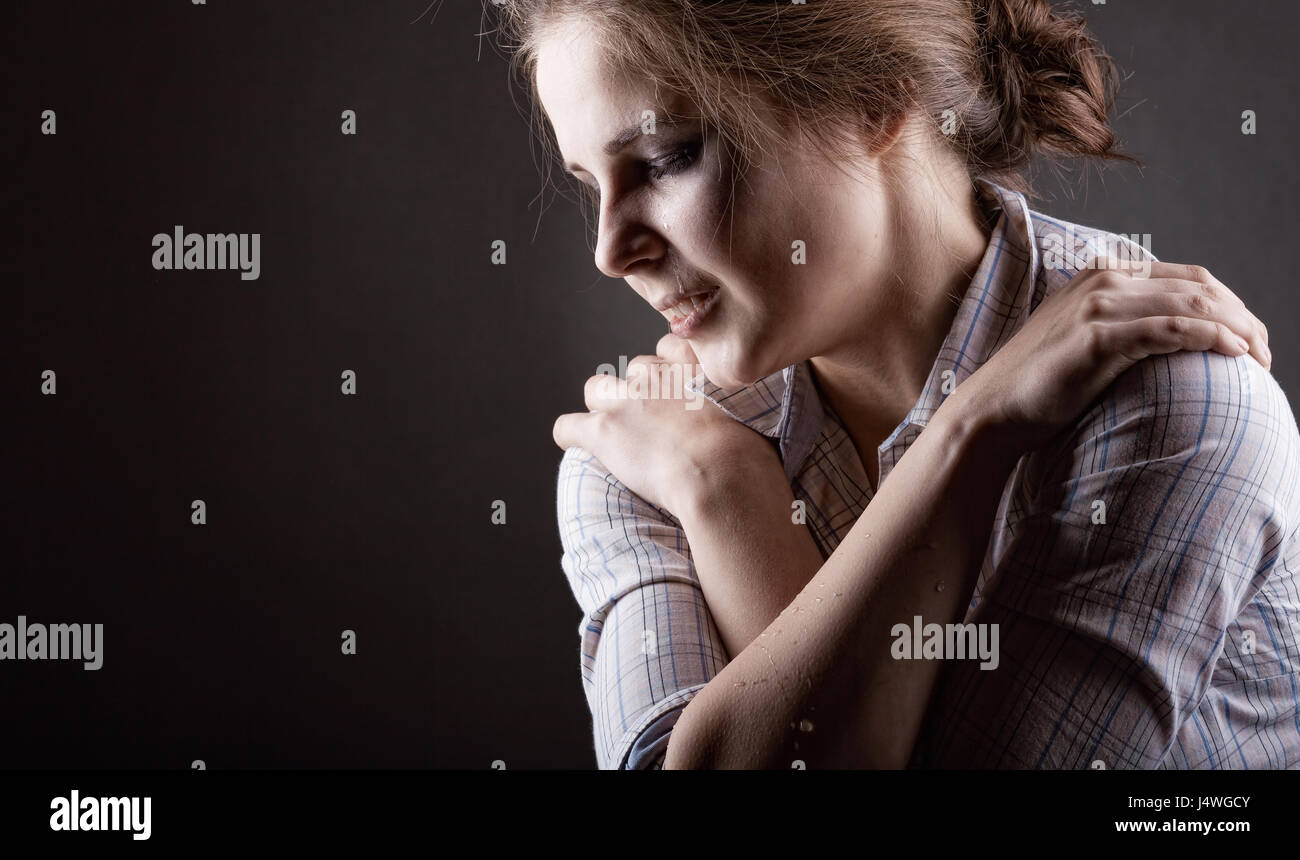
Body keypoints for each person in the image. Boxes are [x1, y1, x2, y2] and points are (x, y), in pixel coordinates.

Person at [495, 0, 1298, 767]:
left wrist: (962, 436)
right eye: (589, 182)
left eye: (668, 156)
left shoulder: (1170, 398)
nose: (610, 249)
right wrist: (725, 486)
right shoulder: (648, 447)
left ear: (875, 98)